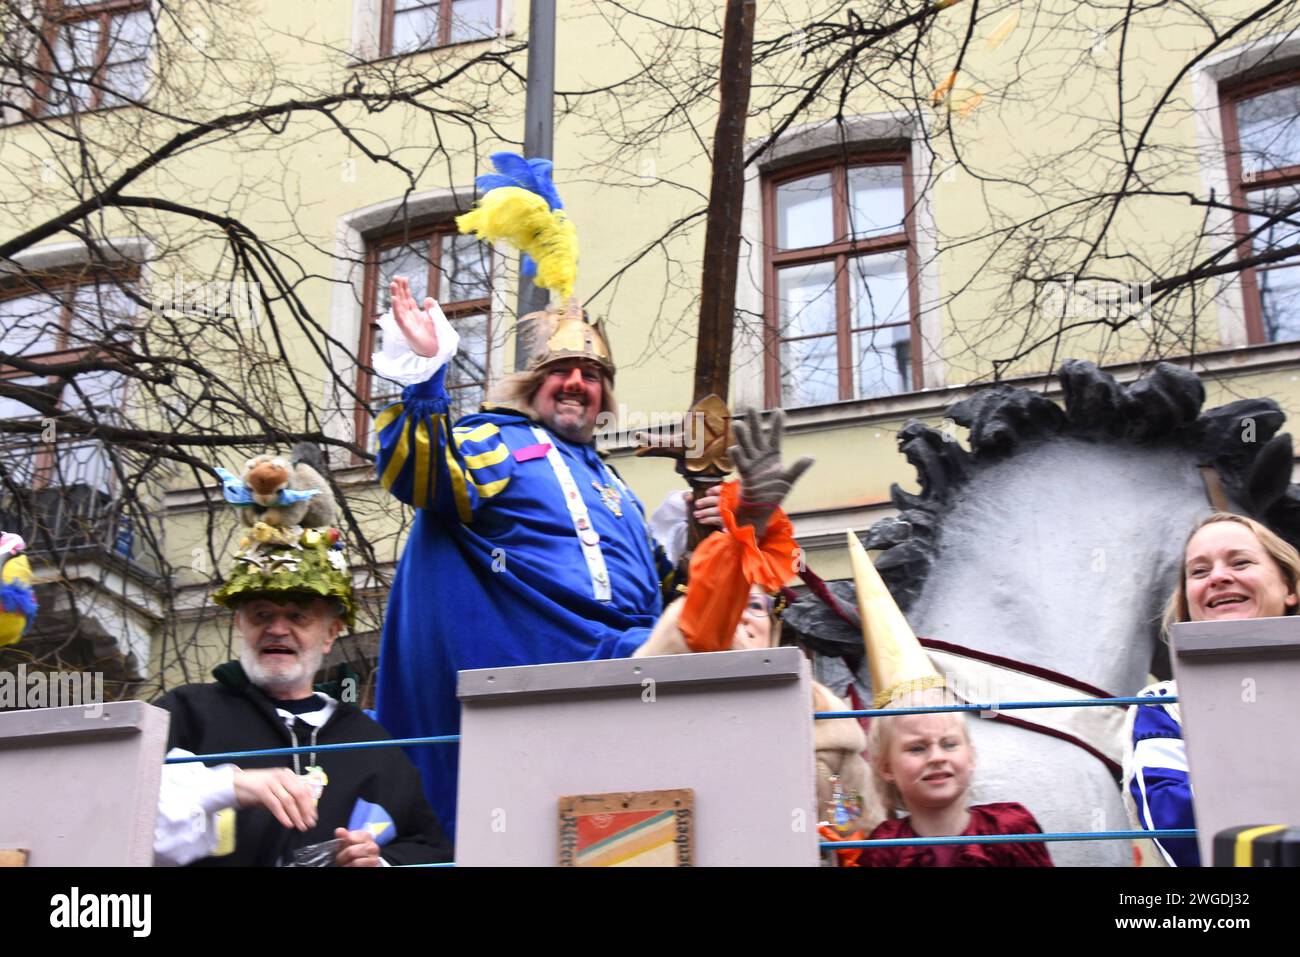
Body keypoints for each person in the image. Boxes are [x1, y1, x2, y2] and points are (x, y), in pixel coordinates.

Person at [371, 279, 721, 836]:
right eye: (563, 371)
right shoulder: (500, 438)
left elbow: (662, 594)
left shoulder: (615, 486)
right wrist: (426, 369)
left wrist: (707, 543)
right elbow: (423, 473)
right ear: (534, 384)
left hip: (632, 675)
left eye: (592, 376)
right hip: (550, 675)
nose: (577, 383)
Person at [153, 491, 451, 867]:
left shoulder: (370, 742)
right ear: (239, 625)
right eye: (261, 615)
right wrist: (228, 786)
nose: (278, 629)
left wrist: (377, 862)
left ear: (330, 633)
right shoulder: (185, 714)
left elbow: (431, 850)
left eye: (297, 617)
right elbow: (115, 812)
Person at [1123, 511, 1300, 867]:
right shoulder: (1164, 706)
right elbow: (1178, 826)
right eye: (1199, 572)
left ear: (1290, 587)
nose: (1218, 577)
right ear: (1188, 601)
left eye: (1240, 561)